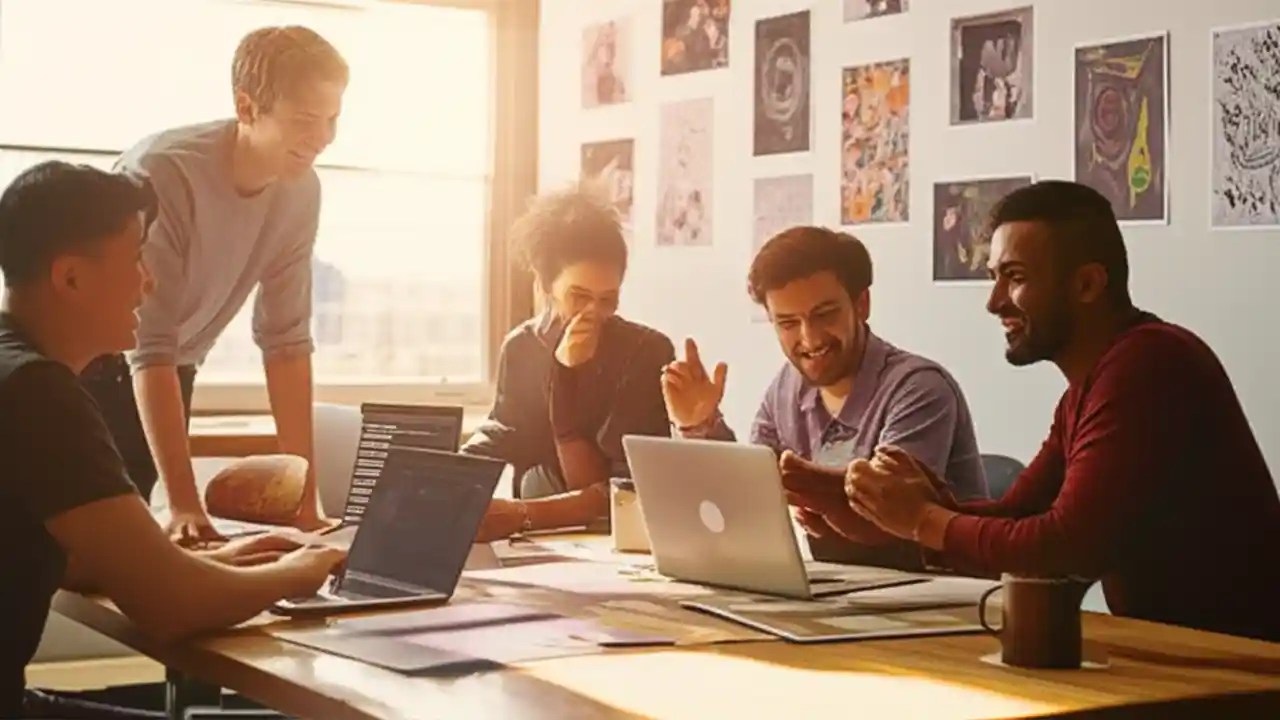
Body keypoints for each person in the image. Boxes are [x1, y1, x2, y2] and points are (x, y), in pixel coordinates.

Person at [845, 181, 1280, 642]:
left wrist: (924, 520)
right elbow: (1018, 514)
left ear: (1087, 284)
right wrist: (894, 506)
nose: (994, 303)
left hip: (1246, 674)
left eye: (1014, 277)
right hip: (1181, 660)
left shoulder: (1149, 364)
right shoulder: (1088, 387)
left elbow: (1065, 547)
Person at [0, 162, 347, 719]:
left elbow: (50, 555)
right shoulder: (37, 392)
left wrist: (216, 565)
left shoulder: (13, 369)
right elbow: (170, 606)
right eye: (136, 257)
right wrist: (310, 567)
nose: (149, 280)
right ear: (70, 278)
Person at [79, 26, 349, 544]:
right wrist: (183, 503)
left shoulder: (301, 191)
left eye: (333, 119)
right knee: (96, 544)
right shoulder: (163, 173)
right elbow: (148, 344)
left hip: (172, 367)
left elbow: (287, 341)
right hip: (92, 365)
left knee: (141, 546)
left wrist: (305, 502)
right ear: (247, 108)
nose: (321, 138)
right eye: (304, 120)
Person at [663, 226, 987, 570]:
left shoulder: (920, 389)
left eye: (824, 314)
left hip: (939, 598)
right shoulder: (786, 388)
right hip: (846, 590)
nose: (809, 338)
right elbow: (748, 496)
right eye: (788, 323)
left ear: (861, 304)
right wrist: (700, 425)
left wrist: (794, 482)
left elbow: (887, 519)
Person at [462, 189, 674, 541]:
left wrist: (566, 375)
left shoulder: (646, 351)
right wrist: (438, 479)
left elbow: (622, 491)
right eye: (579, 297)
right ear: (546, 284)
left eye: (608, 300)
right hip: (535, 545)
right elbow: (503, 432)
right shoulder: (522, 346)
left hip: (611, 543)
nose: (594, 314)